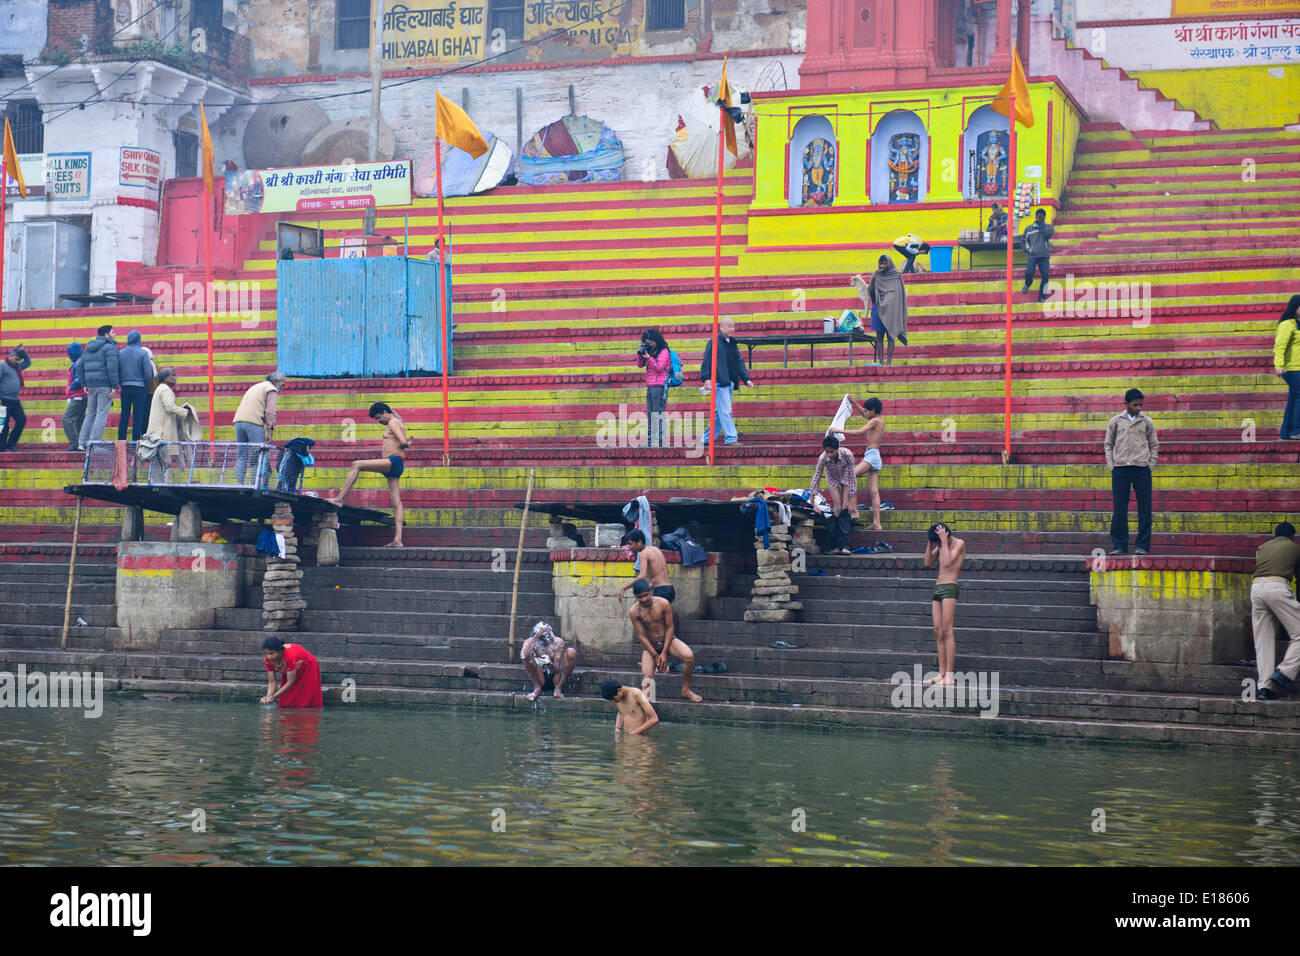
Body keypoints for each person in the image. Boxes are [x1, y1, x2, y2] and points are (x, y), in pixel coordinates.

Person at [329, 402, 411, 548]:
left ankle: (339, 499)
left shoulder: (392, 423)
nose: (378, 421)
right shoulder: (397, 420)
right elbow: (398, 420)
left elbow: (402, 442)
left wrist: (406, 443)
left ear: (385, 412)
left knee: (357, 464)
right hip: (396, 464)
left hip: (392, 461)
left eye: (379, 418)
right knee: (396, 502)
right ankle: (398, 539)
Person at [628, 579, 702, 702]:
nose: (644, 599)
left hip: (669, 640)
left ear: (650, 592)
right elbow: (641, 636)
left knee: (689, 656)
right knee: (647, 677)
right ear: (635, 597)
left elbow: (670, 627)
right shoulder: (634, 611)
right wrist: (655, 655)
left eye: (646, 595)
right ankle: (648, 707)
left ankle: (686, 689)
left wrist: (663, 652)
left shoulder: (663, 603)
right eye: (640, 597)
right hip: (650, 646)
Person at [1104, 388, 1158, 555]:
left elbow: (1154, 445)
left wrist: (1150, 465)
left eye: (1140, 405)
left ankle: (1142, 545)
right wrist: (1112, 465)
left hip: (1142, 469)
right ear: (1126, 404)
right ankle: (1119, 545)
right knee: (1119, 509)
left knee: (1144, 509)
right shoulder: (1116, 421)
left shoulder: (1146, 422)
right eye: (1135, 405)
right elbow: (1108, 445)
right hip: (1120, 469)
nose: (1138, 408)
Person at [1251, 522, 1300, 701]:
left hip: (1256, 589)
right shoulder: (1294, 548)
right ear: (1292, 536)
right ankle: (1285, 672)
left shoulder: (1262, 547)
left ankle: (1264, 688)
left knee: (1263, 641)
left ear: (1275, 535)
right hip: (1277, 587)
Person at [699, 317, 754, 448]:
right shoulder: (714, 342)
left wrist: (746, 379)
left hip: (730, 382)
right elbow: (707, 360)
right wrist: (706, 378)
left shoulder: (732, 343)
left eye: (733, 326)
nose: (731, 329)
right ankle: (731, 438)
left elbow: (739, 362)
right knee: (725, 411)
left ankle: (706, 438)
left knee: (719, 413)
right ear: (721, 327)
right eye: (729, 326)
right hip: (719, 382)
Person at [924, 522, 966, 686]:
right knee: (937, 630)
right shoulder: (941, 546)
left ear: (946, 535)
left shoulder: (958, 543)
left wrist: (942, 540)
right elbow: (928, 563)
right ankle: (941, 673)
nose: (938, 545)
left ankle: (949, 675)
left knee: (947, 629)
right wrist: (930, 543)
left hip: (950, 587)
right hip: (938, 587)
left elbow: (948, 562)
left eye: (939, 540)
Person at [844, 396, 889, 531]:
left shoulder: (874, 421)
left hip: (872, 456)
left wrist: (838, 430)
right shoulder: (877, 420)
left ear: (873, 410)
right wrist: (853, 403)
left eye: (867, 410)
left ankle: (853, 510)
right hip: (874, 456)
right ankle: (877, 523)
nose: (865, 413)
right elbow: (864, 413)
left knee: (849, 476)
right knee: (874, 491)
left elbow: (859, 432)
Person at [233, 372, 283, 485]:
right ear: (276, 382)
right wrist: (270, 431)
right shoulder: (271, 389)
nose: (282, 389)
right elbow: (270, 412)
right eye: (282, 385)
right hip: (253, 423)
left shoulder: (256, 386)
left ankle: (240, 485)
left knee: (242, 455)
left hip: (238, 422)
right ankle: (255, 485)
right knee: (259, 455)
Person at [144, 367, 193, 482]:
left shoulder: (160, 389)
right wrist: (185, 412)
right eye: (172, 376)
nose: (175, 378)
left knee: (158, 461)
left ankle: (154, 482)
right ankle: (161, 484)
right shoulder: (165, 390)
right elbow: (169, 407)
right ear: (165, 378)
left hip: (158, 431)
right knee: (164, 460)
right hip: (162, 432)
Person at [811, 434, 859, 554]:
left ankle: (845, 545)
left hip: (845, 476)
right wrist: (812, 497)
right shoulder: (823, 458)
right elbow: (817, 475)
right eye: (827, 452)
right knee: (837, 509)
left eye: (831, 452)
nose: (829, 455)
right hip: (832, 477)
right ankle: (836, 545)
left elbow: (852, 476)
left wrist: (853, 500)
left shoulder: (847, 454)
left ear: (837, 449)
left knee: (845, 506)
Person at [77, 325, 119, 450]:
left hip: (91, 385)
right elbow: (112, 368)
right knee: (101, 414)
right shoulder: (110, 348)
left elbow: (79, 366)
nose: (115, 334)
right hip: (104, 385)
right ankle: (94, 444)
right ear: (106, 335)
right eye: (112, 332)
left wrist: (84, 384)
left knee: (90, 414)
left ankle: (82, 443)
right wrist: (114, 386)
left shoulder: (89, 348)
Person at [865, 257, 909, 367]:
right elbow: (871, 292)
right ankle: (881, 362)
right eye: (881, 264)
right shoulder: (877, 276)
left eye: (885, 264)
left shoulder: (896, 276)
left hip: (892, 311)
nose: (882, 266)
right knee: (879, 337)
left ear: (889, 264)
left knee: (891, 336)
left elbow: (900, 295)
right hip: (878, 309)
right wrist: (873, 278)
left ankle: (889, 362)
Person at [520, 621, 577, 700]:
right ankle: (537, 688)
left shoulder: (558, 642)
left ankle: (558, 689)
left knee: (571, 652)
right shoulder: (529, 642)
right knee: (526, 655)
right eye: (547, 638)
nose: (551, 638)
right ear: (540, 639)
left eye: (551, 635)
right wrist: (536, 636)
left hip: (555, 677)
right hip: (539, 675)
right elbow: (523, 656)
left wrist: (549, 664)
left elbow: (557, 670)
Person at [260, 636, 323, 708]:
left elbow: (290, 681)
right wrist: (268, 697)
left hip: (307, 666)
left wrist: (274, 696)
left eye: (271, 653)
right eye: (267, 654)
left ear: (280, 651)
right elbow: (272, 682)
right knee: (286, 699)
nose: (269, 657)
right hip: (290, 668)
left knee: (305, 696)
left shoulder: (290, 656)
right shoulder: (268, 660)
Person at [636, 328, 672, 448]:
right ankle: (652, 440)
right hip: (651, 386)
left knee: (658, 414)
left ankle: (659, 441)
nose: (650, 344)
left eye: (651, 341)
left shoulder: (664, 351)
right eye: (647, 341)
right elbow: (640, 365)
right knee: (651, 414)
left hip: (660, 386)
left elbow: (659, 367)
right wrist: (641, 354)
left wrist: (649, 358)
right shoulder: (650, 352)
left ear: (657, 341)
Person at [117, 331, 155, 441]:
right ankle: (135, 440)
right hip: (140, 388)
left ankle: (121, 440)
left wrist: (121, 383)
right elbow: (147, 373)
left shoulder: (121, 353)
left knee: (124, 415)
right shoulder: (143, 353)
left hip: (125, 387)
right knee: (138, 415)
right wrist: (145, 386)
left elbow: (118, 371)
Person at [619, 529, 673, 602]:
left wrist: (624, 588)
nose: (629, 547)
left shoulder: (643, 553)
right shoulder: (656, 549)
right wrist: (648, 588)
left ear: (639, 542)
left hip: (661, 591)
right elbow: (666, 572)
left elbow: (642, 577)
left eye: (631, 544)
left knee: (646, 611)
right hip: (670, 589)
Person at [1274, 294, 1300, 440]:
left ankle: (1286, 432)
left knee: (1293, 398)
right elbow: (1280, 347)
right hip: (1291, 368)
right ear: (1295, 308)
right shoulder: (1287, 324)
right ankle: (1296, 430)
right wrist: (1278, 365)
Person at [0, 345, 32, 452]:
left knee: (21, 420)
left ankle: (11, 443)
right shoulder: (3, 366)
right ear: (10, 356)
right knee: (4, 425)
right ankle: (2, 447)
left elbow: (28, 362)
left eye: (19, 360)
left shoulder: (17, 367)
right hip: (4, 400)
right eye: (16, 359)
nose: (18, 361)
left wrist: (23, 352)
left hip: (14, 400)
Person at [1021, 208, 1054, 302]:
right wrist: (1027, 249)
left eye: (1042, 216)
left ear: (1044, 217)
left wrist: (1041, 227)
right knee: (1029, 273)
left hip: (1044, 256)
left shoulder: (1048, 227)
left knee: (1045, 276)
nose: (1039, 217)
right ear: (1035, 216)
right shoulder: (1029, 228)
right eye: (1038, 215)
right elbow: (1024, 240)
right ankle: (1027, 284)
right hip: (1032, 255)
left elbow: (1048, 235)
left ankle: (1042, 297)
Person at [63, 342, 87, 451]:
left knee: (67, 419)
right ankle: (83, 442)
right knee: (79, 420)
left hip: (78, 396)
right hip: (82, 396)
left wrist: (71, 388)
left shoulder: (78, 363)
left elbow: (78, 380)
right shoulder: (81, 361)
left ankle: (74, 442)